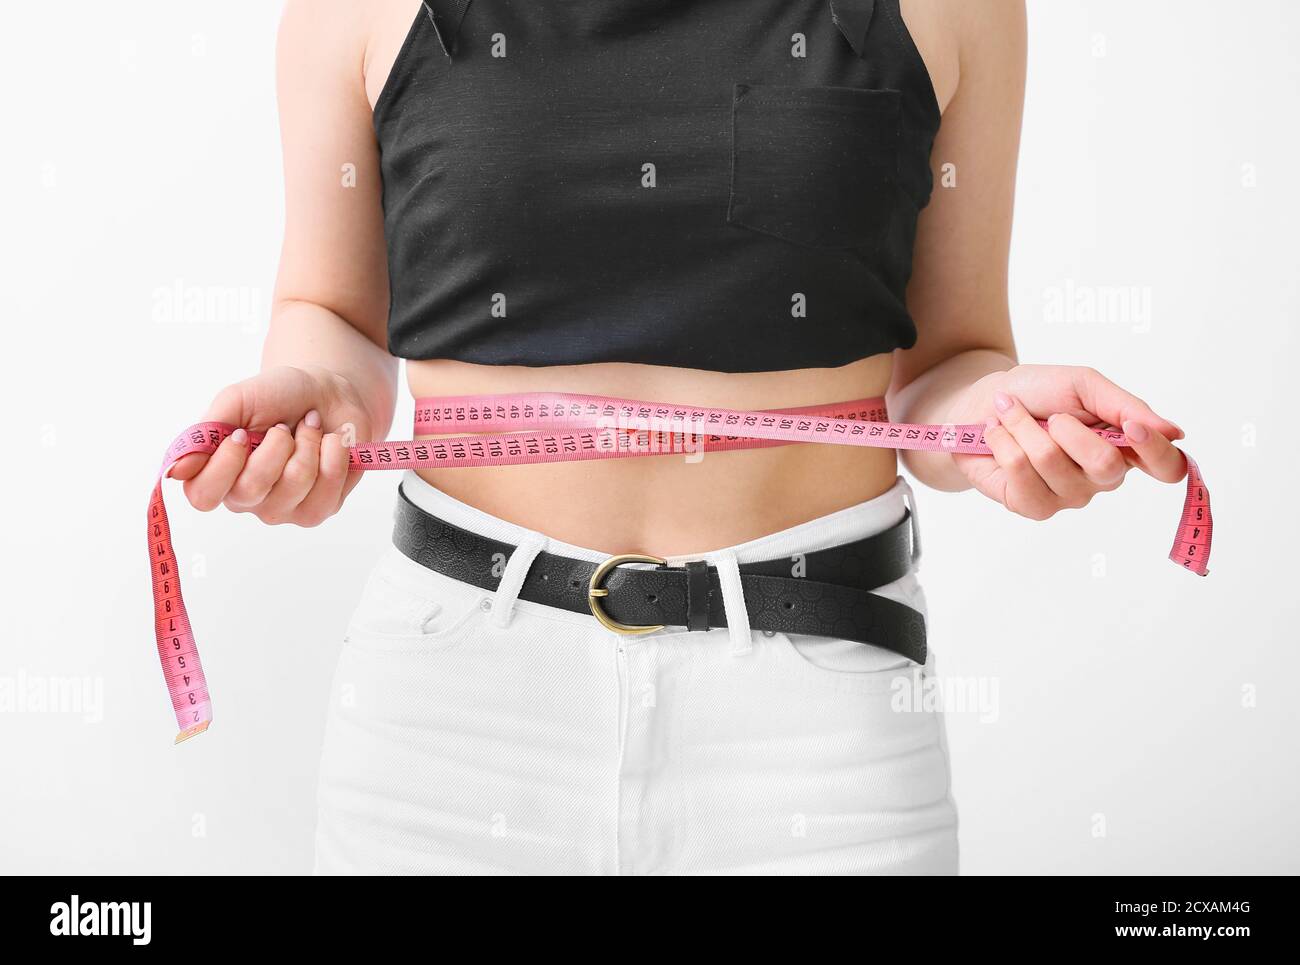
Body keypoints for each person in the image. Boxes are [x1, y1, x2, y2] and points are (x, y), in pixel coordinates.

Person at [168, 0, 1188, 874]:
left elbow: (945, 364)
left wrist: (999, 423)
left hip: (822, 713)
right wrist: (318, 397)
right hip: (451, 711)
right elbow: (332, 314)